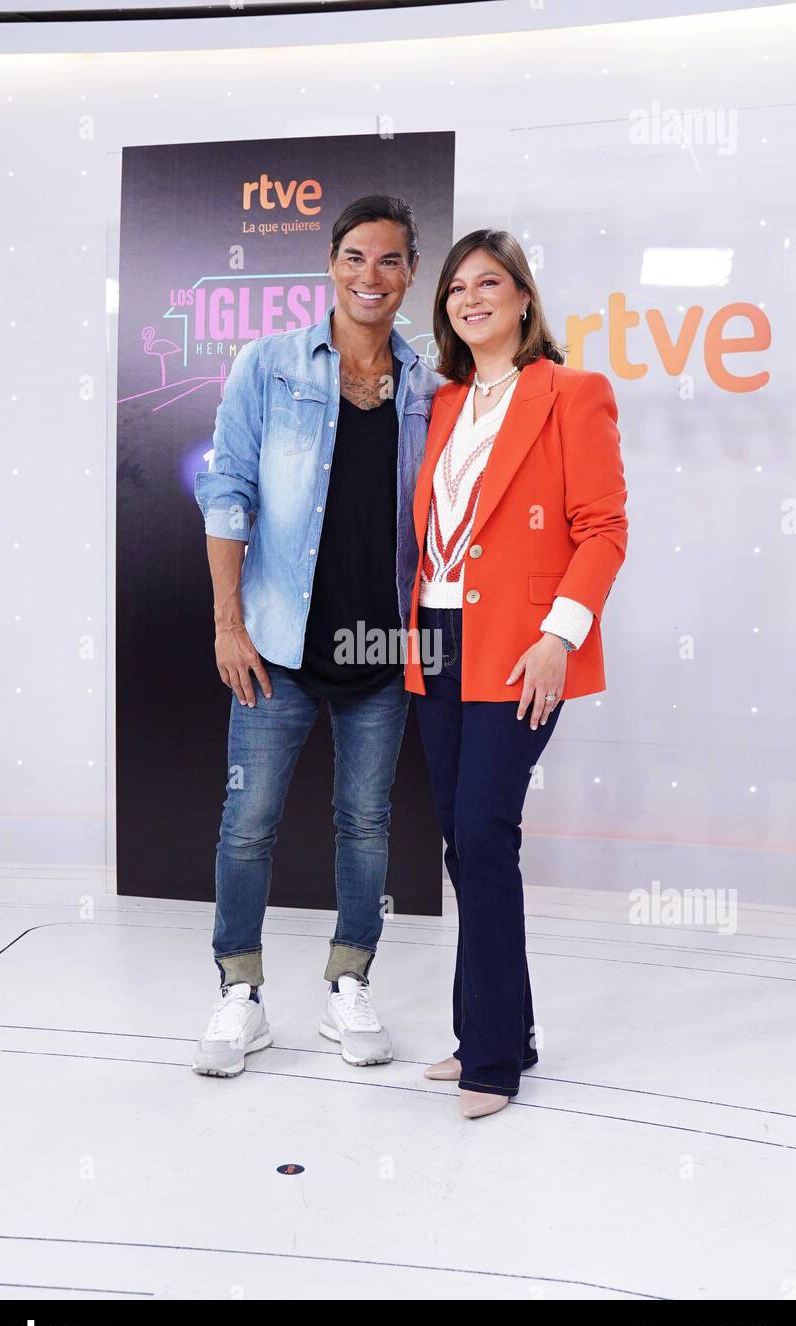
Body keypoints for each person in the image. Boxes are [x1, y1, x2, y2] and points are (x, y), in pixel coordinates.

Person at [191, 194, 442, 1077]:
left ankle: (348, 983)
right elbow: (227, 492)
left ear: (411, 274)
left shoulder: (428, 385)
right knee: (248, 823)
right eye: (355, 258)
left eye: (390, 261)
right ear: (331, 266)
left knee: (365, 824)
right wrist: (229, 624)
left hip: (382, 647)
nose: (371, 277)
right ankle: (240, 994)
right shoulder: (268, 365)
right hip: (279, 642)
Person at [405, 228, 628, 1119]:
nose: (471, 298)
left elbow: (603, 529)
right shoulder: (445, 402)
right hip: (438, 640)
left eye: (489, 282)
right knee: (466, 843)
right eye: (457, 288)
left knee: (485, 835)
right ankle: (496, 1033)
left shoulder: (573, 393)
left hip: (524, 644)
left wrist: (560, 636)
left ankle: (494, 1059)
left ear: (524, 298)